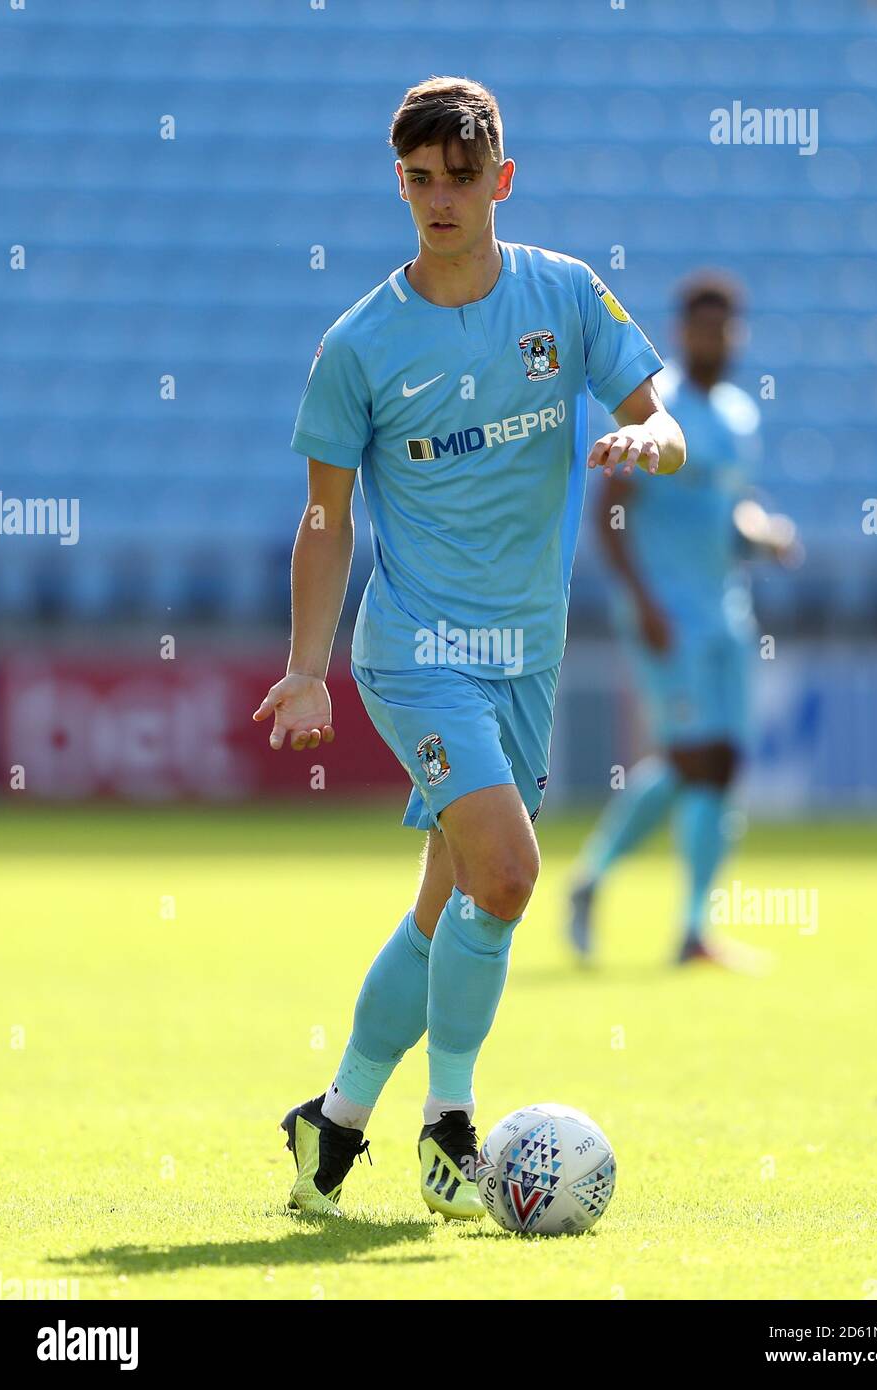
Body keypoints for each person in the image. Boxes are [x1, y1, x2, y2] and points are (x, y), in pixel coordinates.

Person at [253, 76, 684, 1220]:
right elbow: (326, 517)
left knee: (448, 905)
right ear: (400, 182)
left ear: (501, 178)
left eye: (457, 178)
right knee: (507, 871)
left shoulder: (563, 295)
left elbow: (653, 407)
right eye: (416, 179)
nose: (437, 200)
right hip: (415, 646)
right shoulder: (359, 342)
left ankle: (334, 1123)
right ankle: (450, 1126)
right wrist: (307, 665)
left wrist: (657, 437)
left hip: (524, 651)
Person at [566, 273, 798, 968]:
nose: (714, 339)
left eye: (724, 327)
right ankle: (690, 930)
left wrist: (765, 535)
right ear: (679, 334)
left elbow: (730, 510)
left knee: (711, 762)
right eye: (702, 328)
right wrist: (643, 602)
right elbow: (608, 516)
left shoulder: (737, 415)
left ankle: (597, 881)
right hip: (667, 614)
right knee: (699, 762)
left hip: (726, 609)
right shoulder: (656, 415)